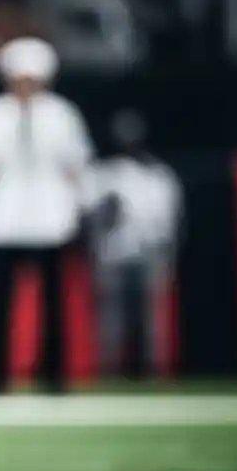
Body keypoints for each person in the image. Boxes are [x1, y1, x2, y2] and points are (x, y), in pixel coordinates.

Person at [0, 37, 92, 394]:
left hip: (52, 219)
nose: (25, 87)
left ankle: (52, 376)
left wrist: (79, 210)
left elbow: (78, 166)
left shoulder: (62, 115)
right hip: (4, 219)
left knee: (54, 305)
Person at [86, 109, 182, 379]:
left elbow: (169, 219)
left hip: (150, 250)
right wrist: (104, 216)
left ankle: (152, 368)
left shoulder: (159, 175)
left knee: (152, 316)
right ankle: (108, 367)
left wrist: (167, 252)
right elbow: (90, 215)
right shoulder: (102, 174)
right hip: (111, 251)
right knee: (110, 315)